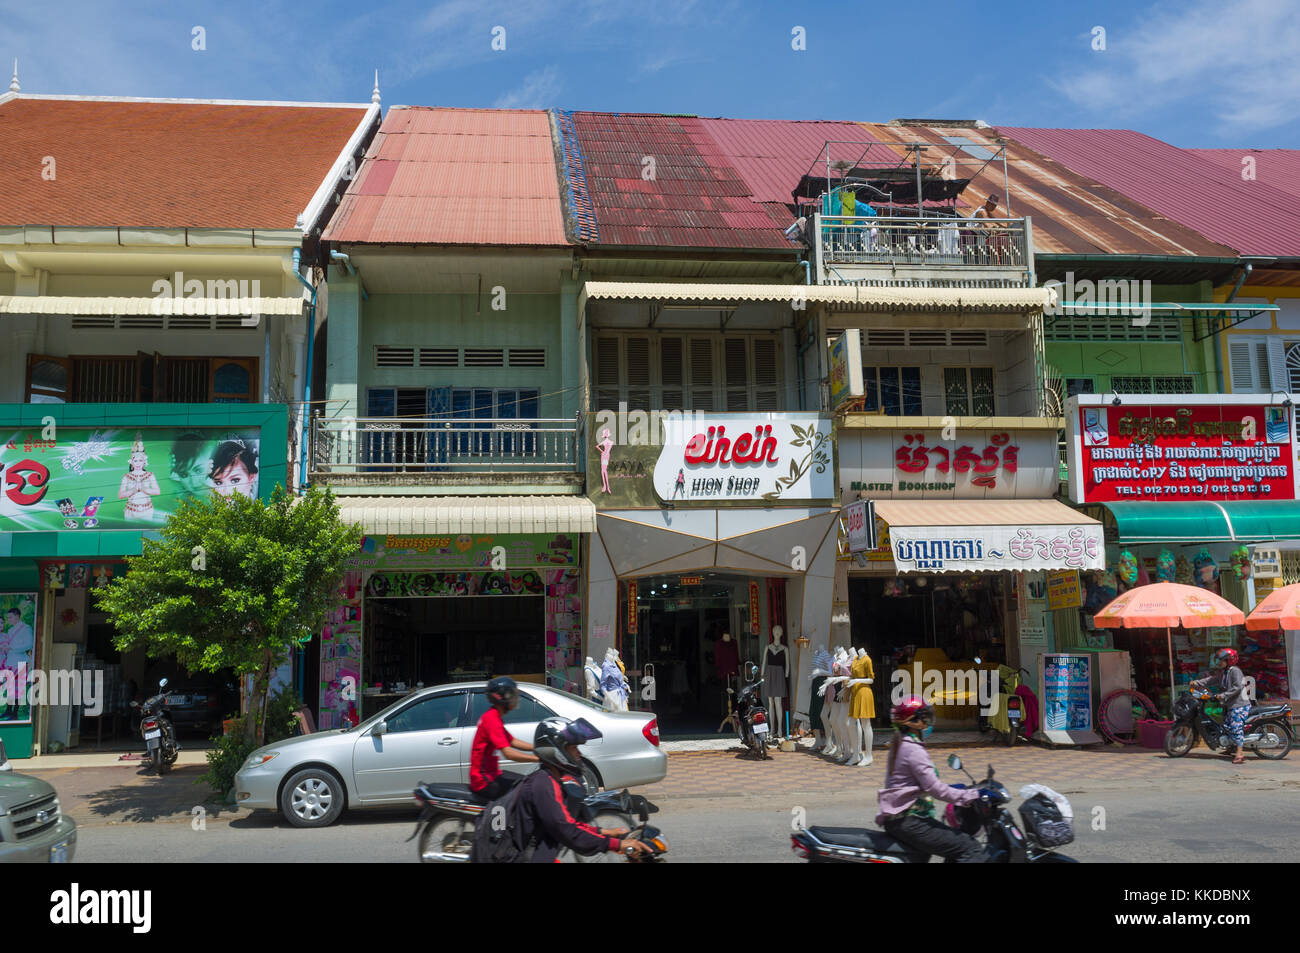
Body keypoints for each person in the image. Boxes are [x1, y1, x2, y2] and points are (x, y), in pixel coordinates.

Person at [514, 717, 649, 863]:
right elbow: (567, 832)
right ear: (554, 751)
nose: (579, 754)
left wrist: (604, 832)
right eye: (573, 748)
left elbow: (567, 823)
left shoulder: (552, 780)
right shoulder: (543, 784)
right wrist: (618, 844)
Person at [876, 696, 987, 862]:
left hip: (900, 819)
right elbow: (934, 788)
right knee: (970, 848)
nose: (928, 722)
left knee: (955, 844)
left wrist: (955, 790)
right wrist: (971, 795)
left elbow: (916, 783)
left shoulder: (900, 742)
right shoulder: (913, 750)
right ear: (912, 721)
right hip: (910, 821)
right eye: (925, 717)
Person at [468, 676, 538, 800]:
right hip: (484, 781)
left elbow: (512, 741)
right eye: (512, 695)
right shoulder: (492, 719)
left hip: (492, 774)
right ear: (503, 697)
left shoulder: (494, 716)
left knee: (527, 781)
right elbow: (509, 754)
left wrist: (537, 748)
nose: (516, 699)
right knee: (528, 791)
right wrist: (538, 758)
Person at [1192, 648, 1250, 765]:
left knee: (1235, 727)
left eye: (1222, 660)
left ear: (1229, 661)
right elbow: (1211, 680)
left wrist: (1223, 695)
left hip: (1239, 705)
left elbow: (1237, 687)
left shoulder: (1235, 671)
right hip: (1229, 705)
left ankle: (1240, 753)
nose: (1219, 663)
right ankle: (1231, 747)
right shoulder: (1223, 673)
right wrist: (1197, 683)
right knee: (1225, 726)